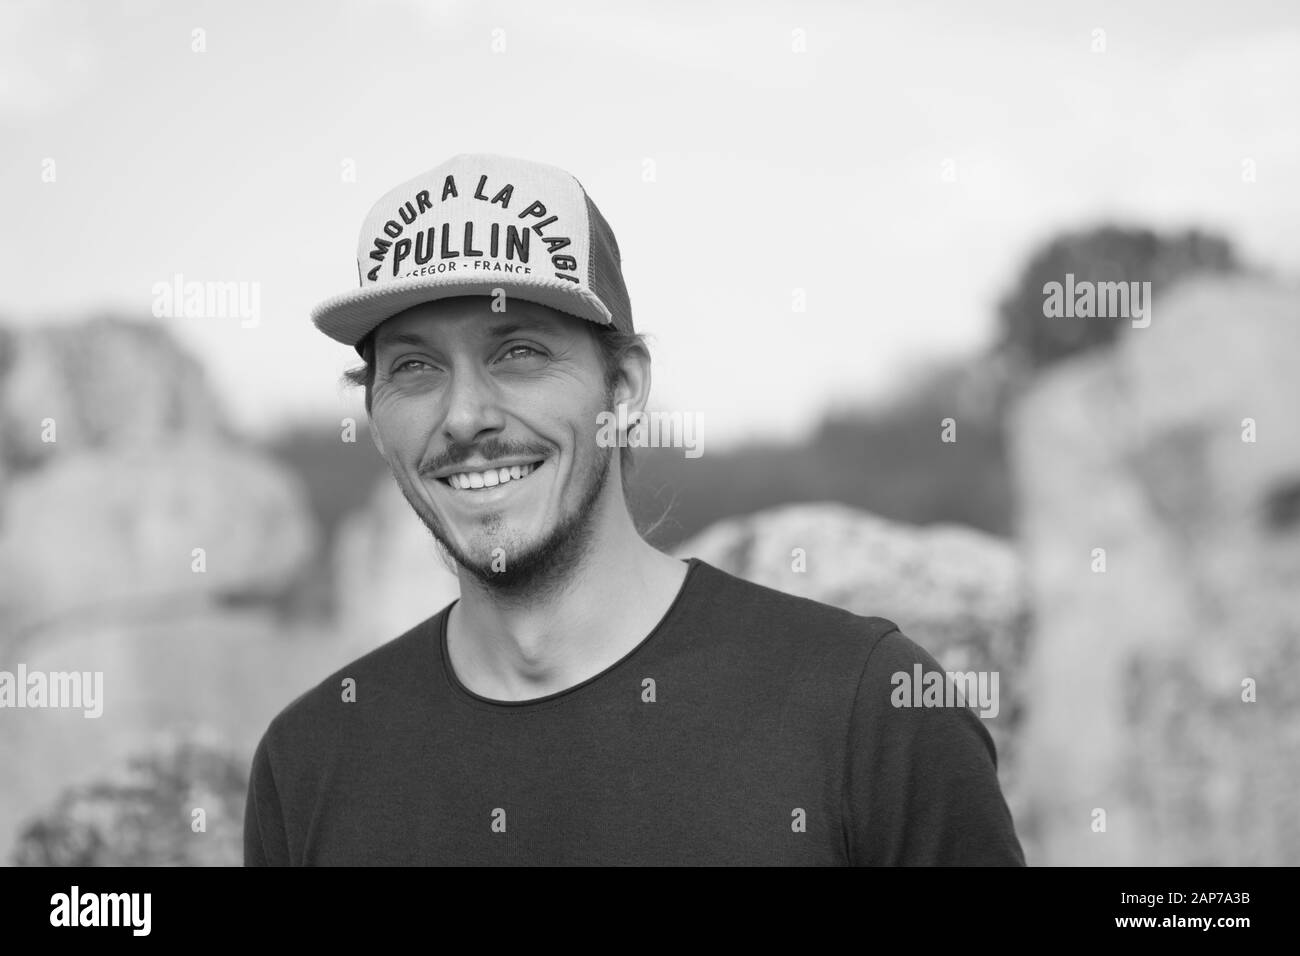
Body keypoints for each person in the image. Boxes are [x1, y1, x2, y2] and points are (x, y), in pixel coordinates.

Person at [243, 152, 1026, 866]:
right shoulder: (310, 763)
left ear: (623, 390)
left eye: (518, 351)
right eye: (414, 367)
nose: (464, 416)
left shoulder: (867, 713)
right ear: (375, 416)